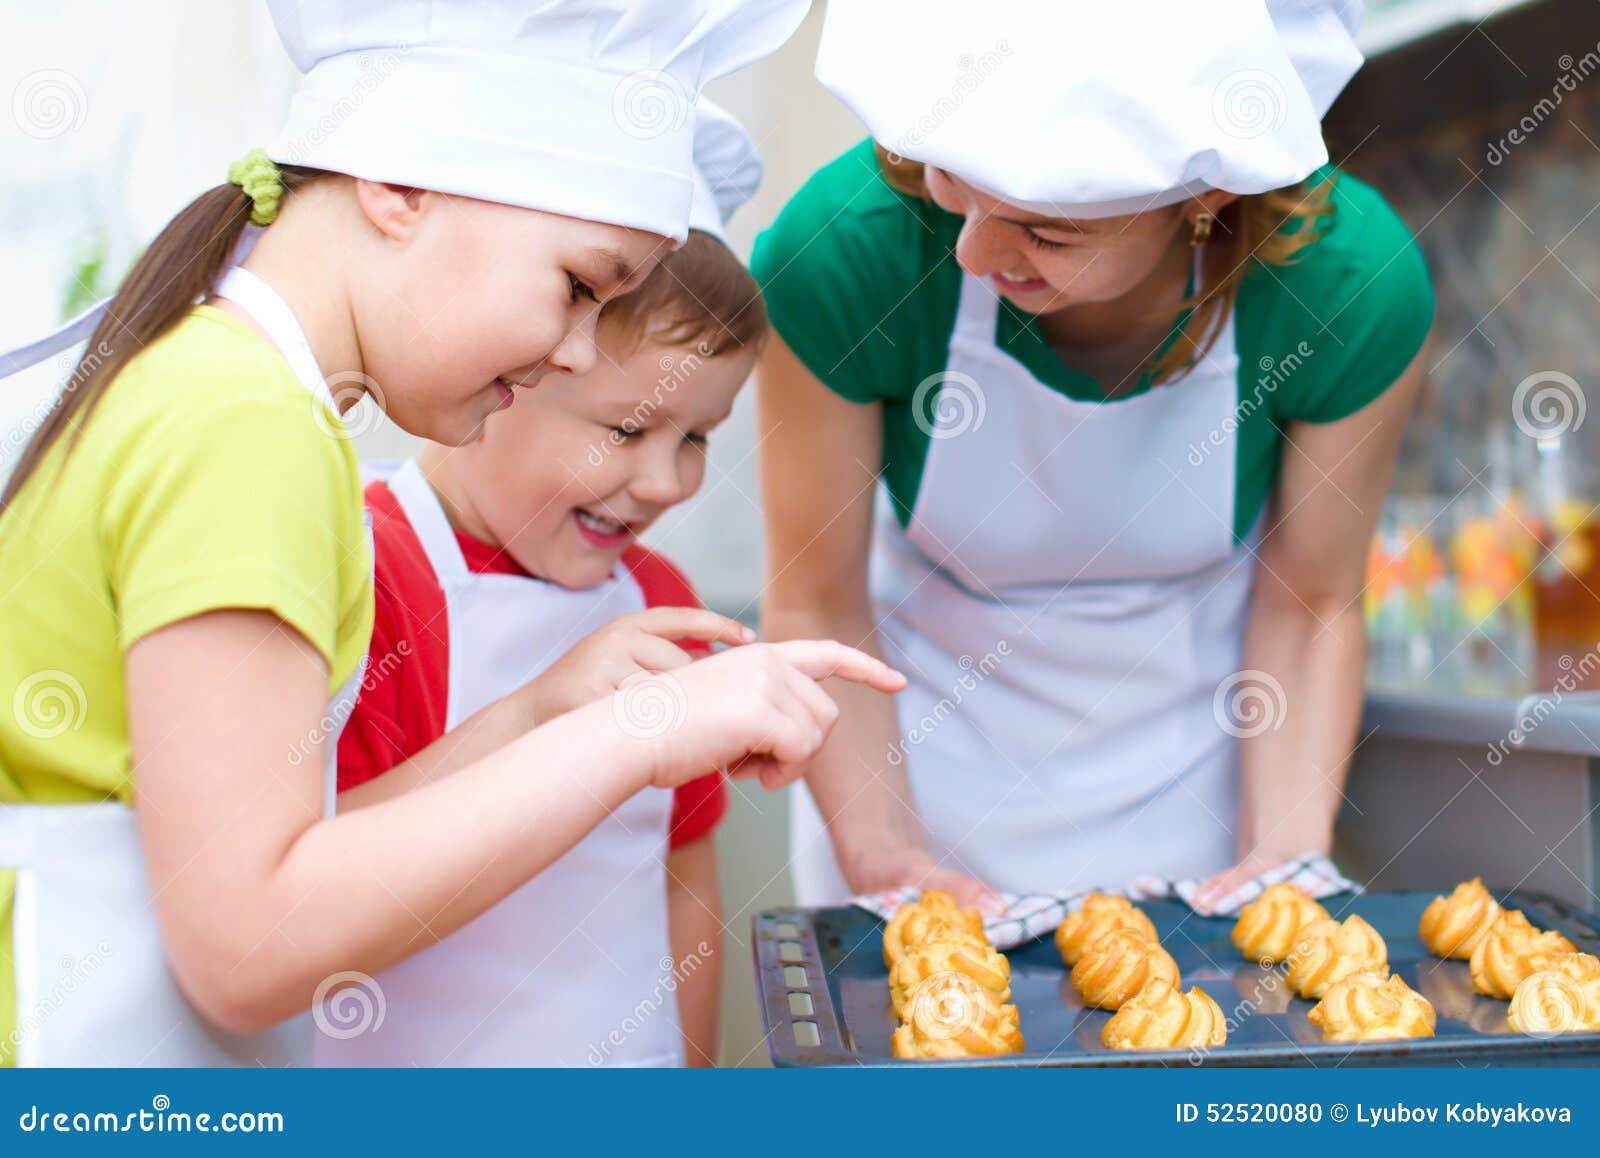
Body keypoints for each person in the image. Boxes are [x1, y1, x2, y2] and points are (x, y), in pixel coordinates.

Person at [0, 0, 899, 1069]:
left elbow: (294, 847)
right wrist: (634, 734)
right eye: (576, 287)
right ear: (395, 184)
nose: (576, 354)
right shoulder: (245, 426)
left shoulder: (227, 391)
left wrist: (533, 710)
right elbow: (244, 945)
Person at [754, 2, 1433, 908]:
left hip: (1193, 809)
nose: (973, 249)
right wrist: (882, 858)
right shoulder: (845, 253)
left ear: (1208, 196)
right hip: (909, 785)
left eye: (1045, 230)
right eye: (956, 184)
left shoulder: (1347, 284)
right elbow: (816, 596)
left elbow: (1310, 605)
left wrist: (1279, 866)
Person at [325, 107, 767, 1068]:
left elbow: (681, 868)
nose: (665, 483)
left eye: (697, 437)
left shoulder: (661, 601)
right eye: (625, 430)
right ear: (513, 374)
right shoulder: (373, 577)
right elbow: (312, 879)